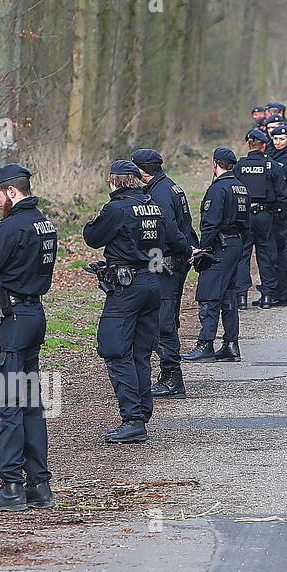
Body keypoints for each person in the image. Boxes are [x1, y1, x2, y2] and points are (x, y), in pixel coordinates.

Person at [82, 159, 187, 443]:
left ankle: (132, 418)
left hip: (127, 288)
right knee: (141, 351)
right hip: (153, 283)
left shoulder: (116, 209)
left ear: (115, 181)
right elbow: (171, 238)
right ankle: (141, 413)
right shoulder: (154, 206)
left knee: (115, 350)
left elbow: (92, 237)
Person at [0, 163, 56, 511]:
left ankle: (11, 487)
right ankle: (38, 485)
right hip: (34, 316)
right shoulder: (45, 223)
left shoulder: (8, 229)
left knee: (4, 405)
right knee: (30, 405)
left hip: (8, 322)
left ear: (11, 191)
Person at [132, 148, 196, 401]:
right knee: (166, 319)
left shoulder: (157, 193)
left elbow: (168, 228)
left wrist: (185, 249)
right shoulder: (170, 186)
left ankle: (172, 377)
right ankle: (168, 374)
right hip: (173, 261)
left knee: (163, 322)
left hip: (166, 262)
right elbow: (187, 223)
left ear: (142, 171)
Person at [184, 147, 250, 363]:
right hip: (235, 244)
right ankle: (231, 344)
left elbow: (210, 224)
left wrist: (201, 249)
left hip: (220, 247)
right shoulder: (241, 187)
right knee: (228, 295)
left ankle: (206, 344)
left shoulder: (218, 189)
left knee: (209, 295)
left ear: (215, 164)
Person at [235, 128, 286, 309]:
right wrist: (283, 219)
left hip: (244, 216)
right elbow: (282, 195)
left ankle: (241, 297)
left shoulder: (239, 166)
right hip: (266, 215)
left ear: (248, 144)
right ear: (264, 145)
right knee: (266, 255)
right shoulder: (272, 166)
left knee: (243, 255)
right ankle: (267, 296)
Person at [267, 124, 287, 298]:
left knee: (280, 251)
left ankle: (280, 293)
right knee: (268, 252)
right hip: (268, 209)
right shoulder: (269, 154)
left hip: (281, 209)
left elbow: (277, 181)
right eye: (275, 138)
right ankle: (270, 290)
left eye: (282, 139)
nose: (278, 142)